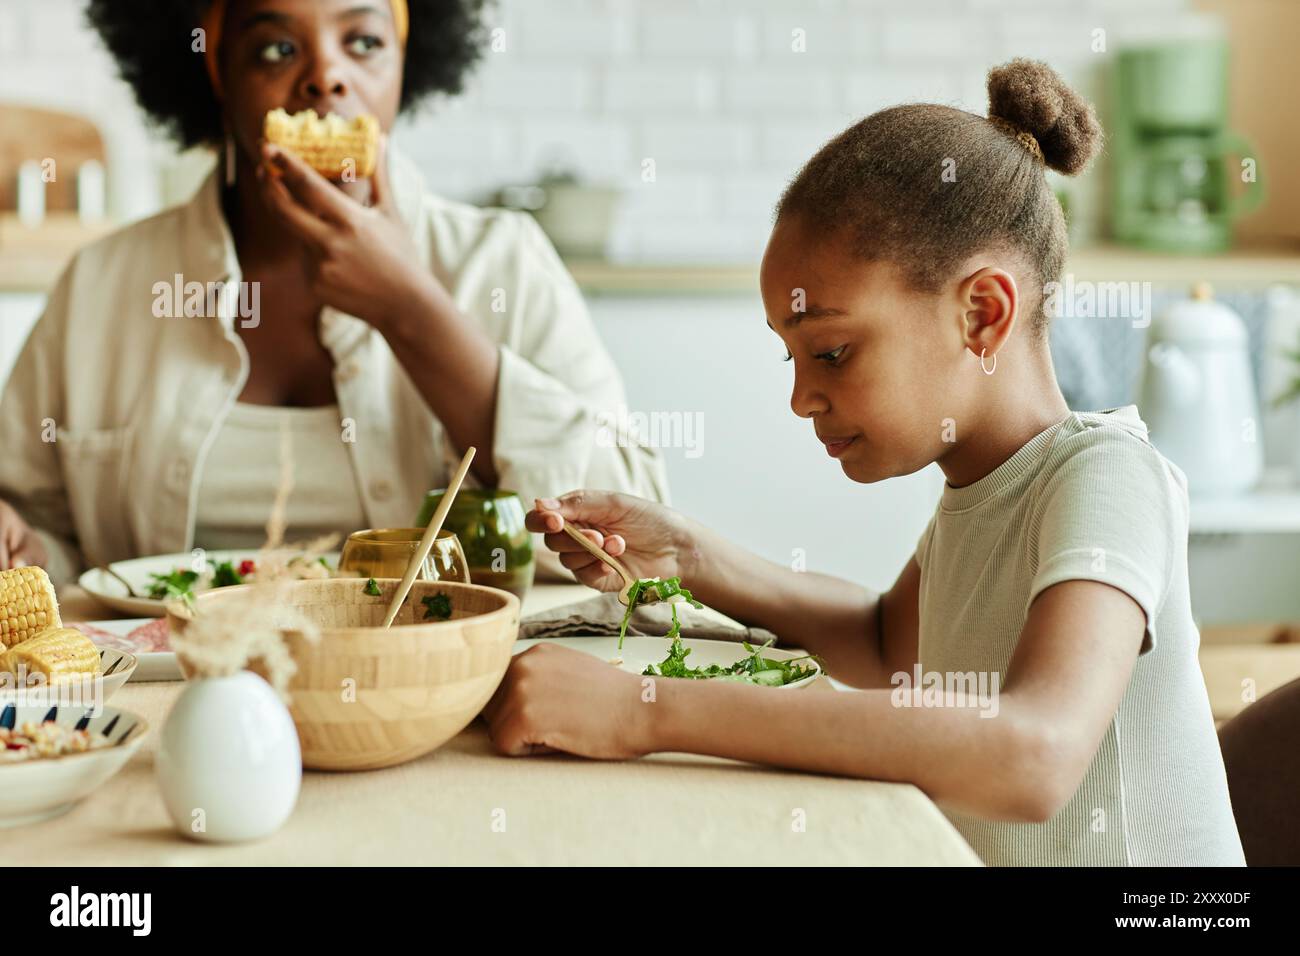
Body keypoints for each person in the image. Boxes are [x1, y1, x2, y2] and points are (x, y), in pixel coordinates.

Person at [482, 60, 1245, 867]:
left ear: (982, 313)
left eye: (833, 352)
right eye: (793, 360)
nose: (802, 398)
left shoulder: (1107, 476)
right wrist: (685, 557)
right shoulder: (978, 487)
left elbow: (1035, 754)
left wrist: (646, 711)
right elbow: (888, 646)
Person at [0, 0, 664, 582]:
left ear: (406, 63)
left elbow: (630, 543)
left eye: (364, 42)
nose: (326, 77)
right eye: (277, 48)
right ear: (216, 71)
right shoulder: (102, 284)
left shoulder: (502, 265)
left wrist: (412, 310)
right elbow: (47, 539)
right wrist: (25, 549)